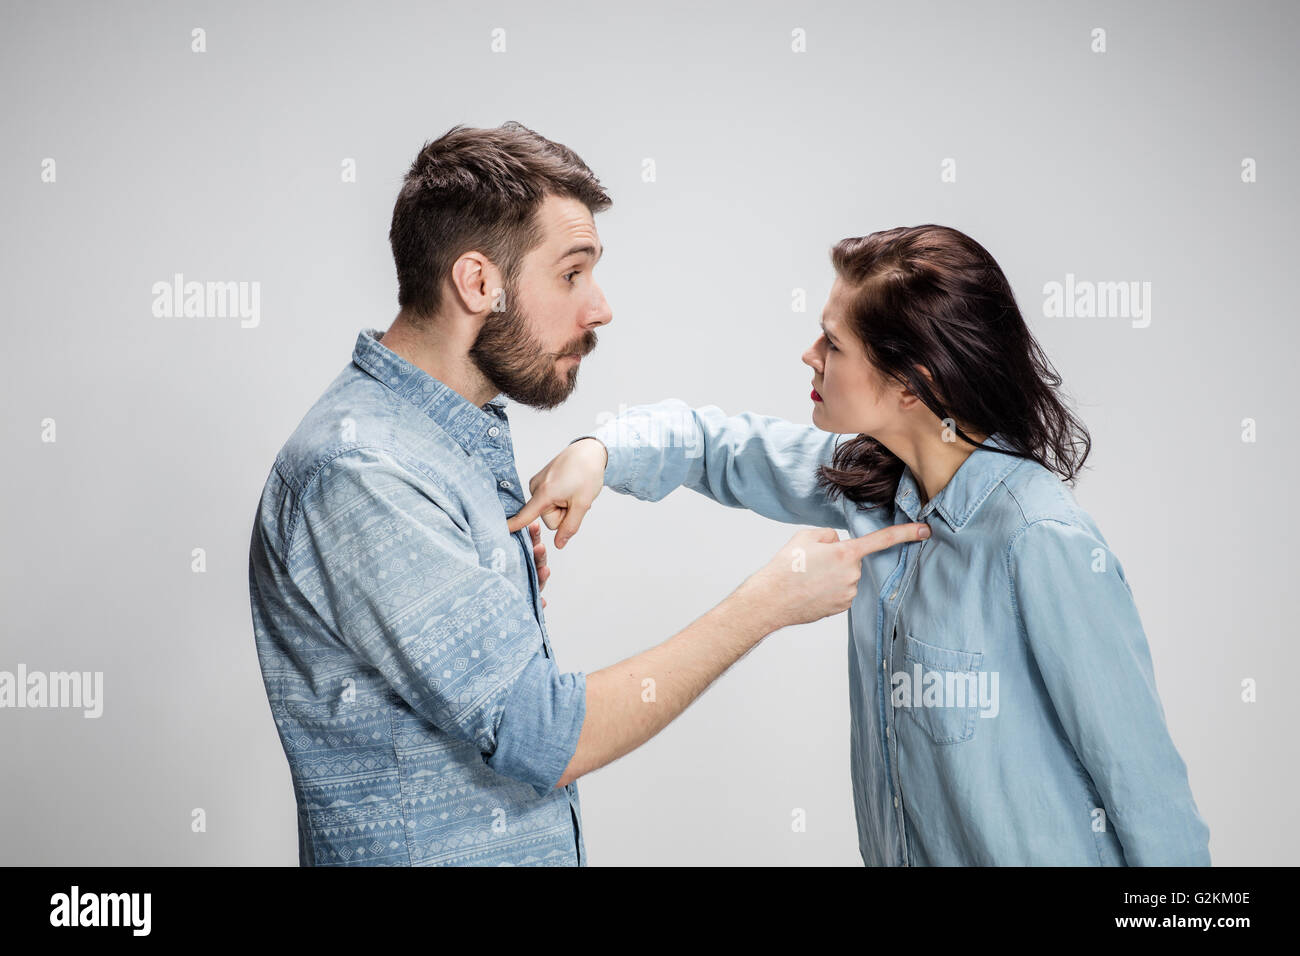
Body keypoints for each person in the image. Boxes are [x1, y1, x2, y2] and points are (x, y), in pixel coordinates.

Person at [246, 122, 928, 866]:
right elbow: (541, 733)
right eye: (572, 274)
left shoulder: (445, 438)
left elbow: (718, 446)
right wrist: (767, 603)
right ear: (479, 282)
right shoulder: (361, 470)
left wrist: (580, 475)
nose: (599, 307)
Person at [511, 224, 1212, 866]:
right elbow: (710, 445)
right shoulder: (867, 487)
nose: (809, 355)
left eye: (834, 344)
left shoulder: (1039, 539)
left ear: (913, 384)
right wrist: (598, 450)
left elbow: (1147, 797)